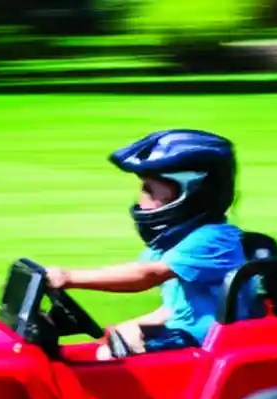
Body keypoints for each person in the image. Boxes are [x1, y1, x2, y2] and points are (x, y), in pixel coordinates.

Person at [47, 129, 249, 360]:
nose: (140, 200)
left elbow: (146, 275)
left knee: (108, 356)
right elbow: (178, 309)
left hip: (208, 347)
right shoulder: (176, 241)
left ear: (191, 192)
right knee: (116, 339)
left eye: (149, 190)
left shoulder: (213, 238)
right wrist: (122, 327)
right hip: (191, 336)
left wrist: (68, 277)